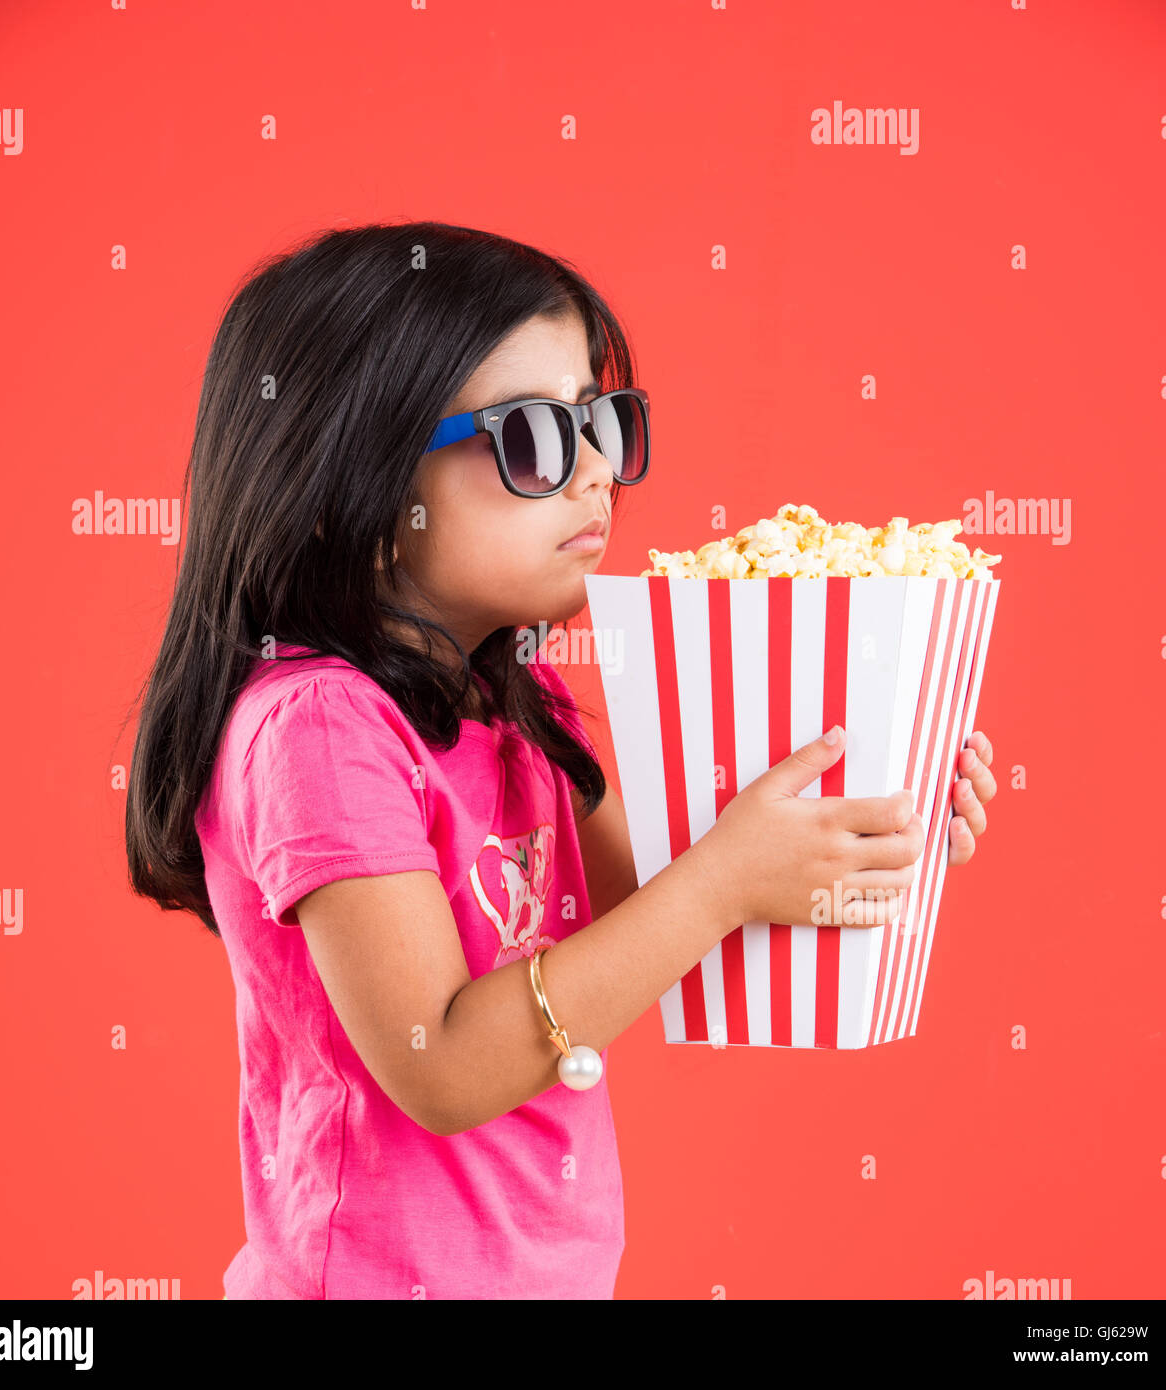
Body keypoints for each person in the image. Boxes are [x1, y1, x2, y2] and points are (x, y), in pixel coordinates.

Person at [123, 220, 997, 1300]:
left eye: (605, 425)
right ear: (355, 483)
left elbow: (667, 907)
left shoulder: (515, 701)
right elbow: (438, 1060)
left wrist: (856, 823)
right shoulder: (317, 729)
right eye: (534, 438)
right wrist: (726, 876)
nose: (594, 475)